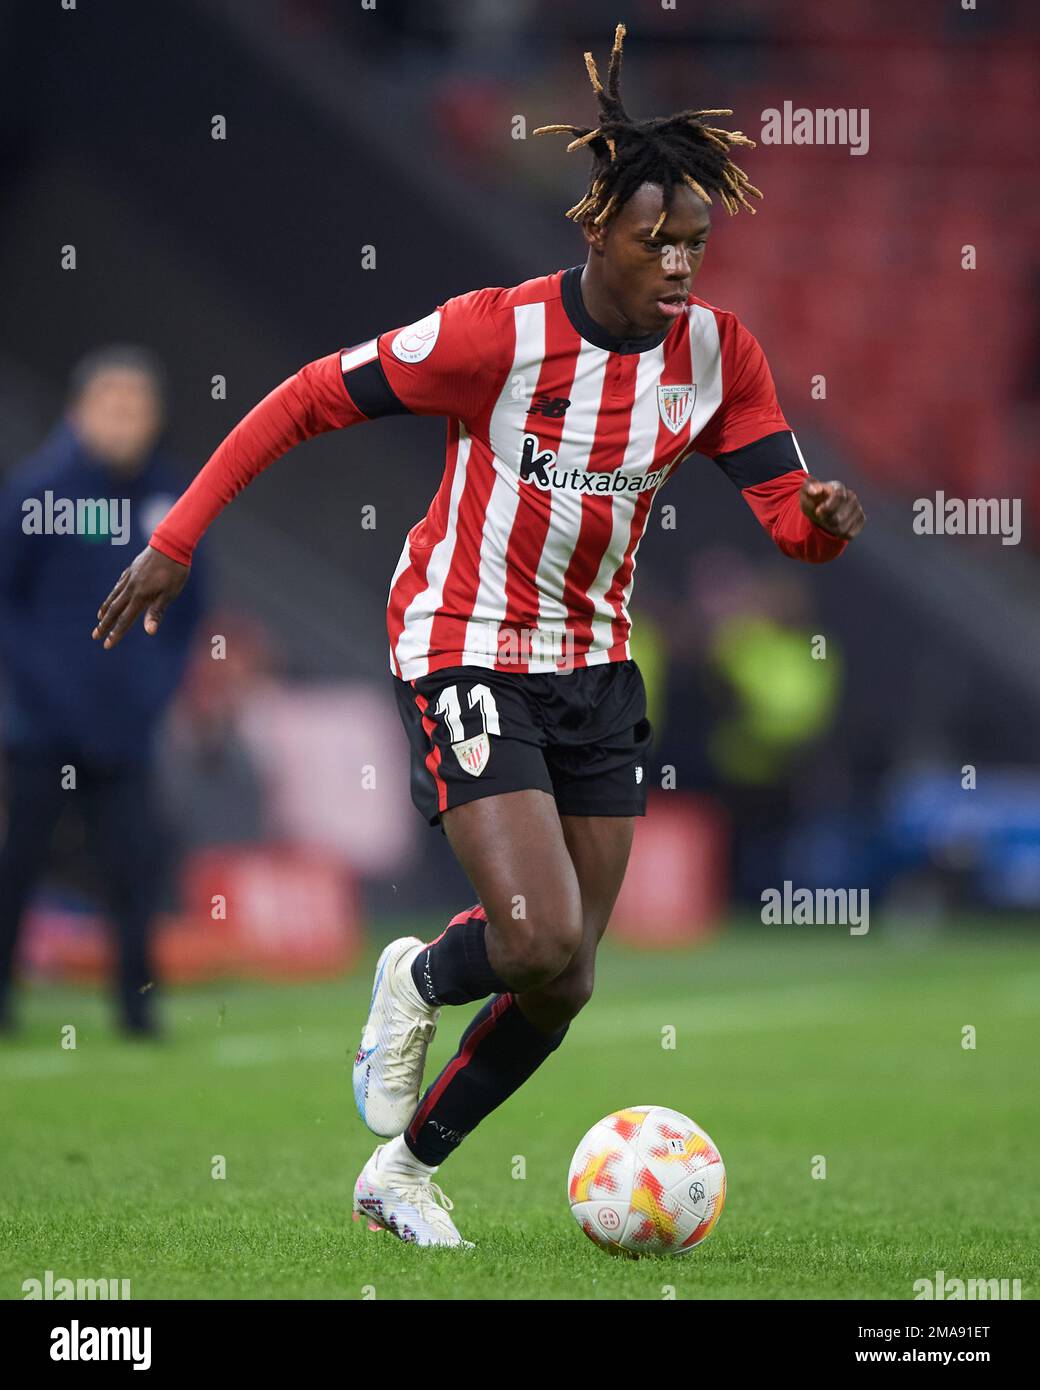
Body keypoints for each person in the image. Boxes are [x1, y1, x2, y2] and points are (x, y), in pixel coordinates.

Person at [91, 26, 864, 1240]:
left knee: (565, 979)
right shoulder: (493, 336)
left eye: (694, 245)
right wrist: (177, 538)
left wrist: (819, 525)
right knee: (536, 930)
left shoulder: (718, 357)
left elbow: (785, 520)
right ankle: (413, 977)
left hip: (596, 665)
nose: (677, 265)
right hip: (464, 637)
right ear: (593, 229)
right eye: (654, 241)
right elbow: (303, 396)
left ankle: (398, 1170)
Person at [0, 345, 205, 1036]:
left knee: (135, 871)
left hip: (126, 729)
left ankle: (137, 1011)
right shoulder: (37, 492)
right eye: (111, 404)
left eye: (138, 406)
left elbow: (193, 607)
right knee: (16, 865)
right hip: (38, 728)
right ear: (78, 411)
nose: (125, 419)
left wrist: (156, 684)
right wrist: (39, 685)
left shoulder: (170, 499)